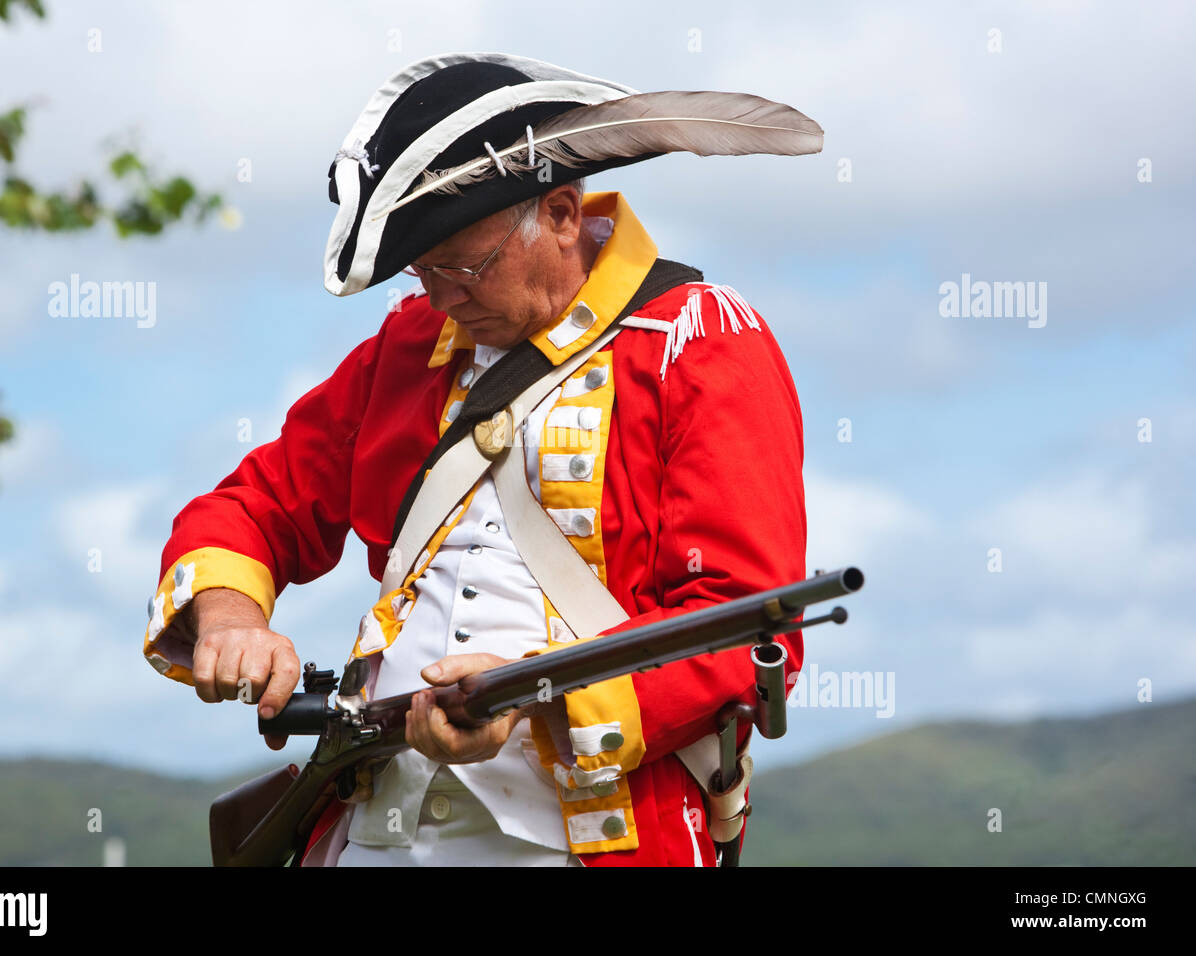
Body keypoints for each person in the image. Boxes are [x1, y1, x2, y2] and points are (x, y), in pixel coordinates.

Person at [141, 53, 822, 866]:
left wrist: (541, 700)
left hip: (593, 834)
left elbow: (745, 625)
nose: (438, 298)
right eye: (424, 272)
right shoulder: (407, 349)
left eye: (464, 266)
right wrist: (231, 620)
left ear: (565, 212)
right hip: (373, 826)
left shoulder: (701, 344)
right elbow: (256, 504)